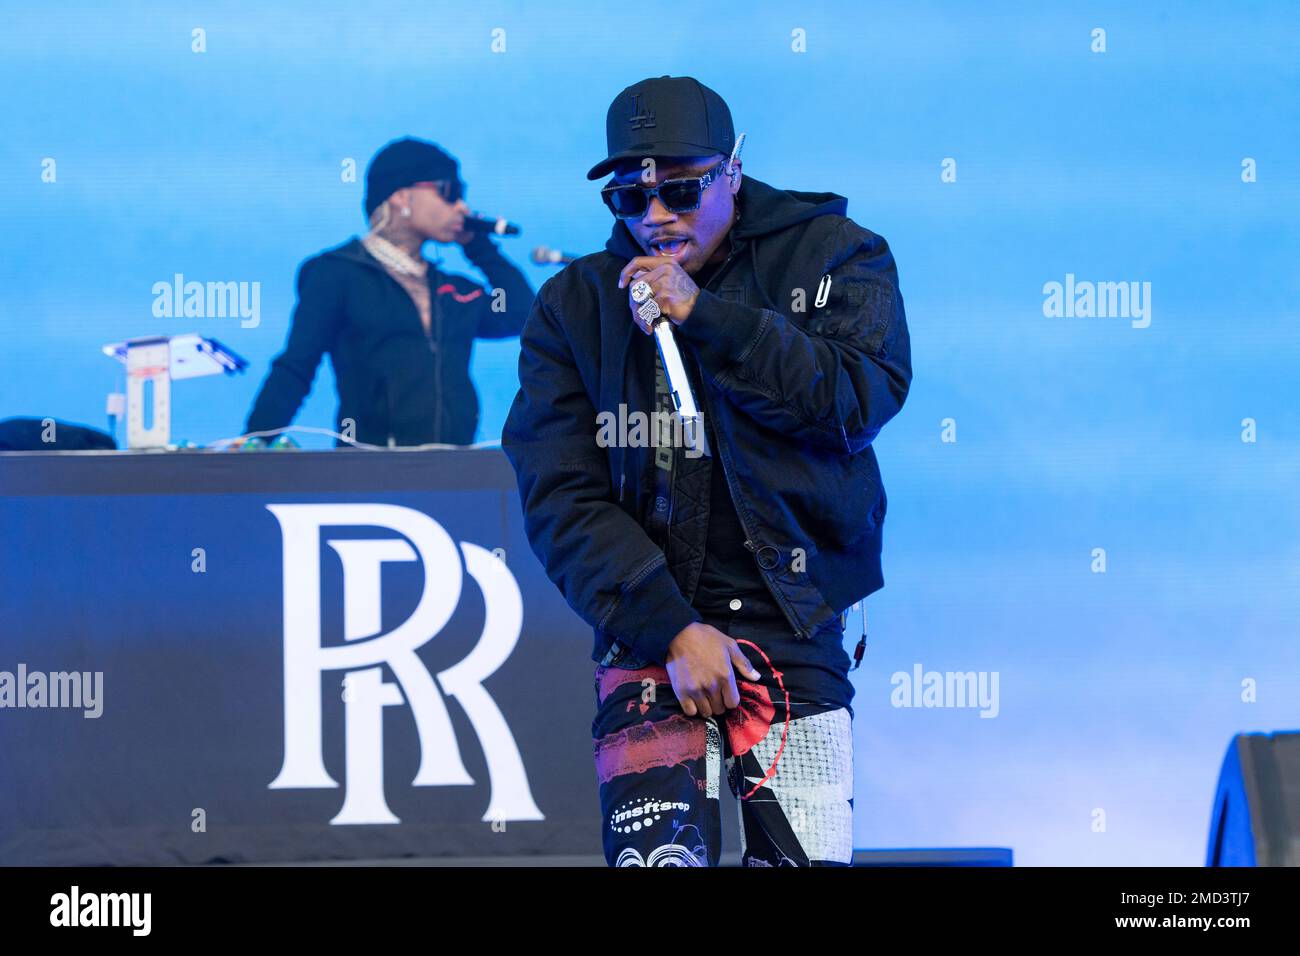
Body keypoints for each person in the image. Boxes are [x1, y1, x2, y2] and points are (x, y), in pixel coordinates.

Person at [501, 76, 912, 866]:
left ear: (732, 170)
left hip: (794, 624)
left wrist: (705, 316)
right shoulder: (574, 305)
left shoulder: (836, 254)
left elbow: (856, 401)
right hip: (651, 635)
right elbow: (560, 495)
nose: (655, 217)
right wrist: (672, 627)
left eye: (681, 191)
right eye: (629, 198)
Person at [244, 137, 534, 447]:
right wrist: (254, 446)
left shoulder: (453, 290)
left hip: (453, 470)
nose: (462, 206)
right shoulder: (337, 273)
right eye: (449, 192)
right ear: (401, 197)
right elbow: (295, 368)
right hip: (369, 470)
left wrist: (478, 246)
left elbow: (523, 315)